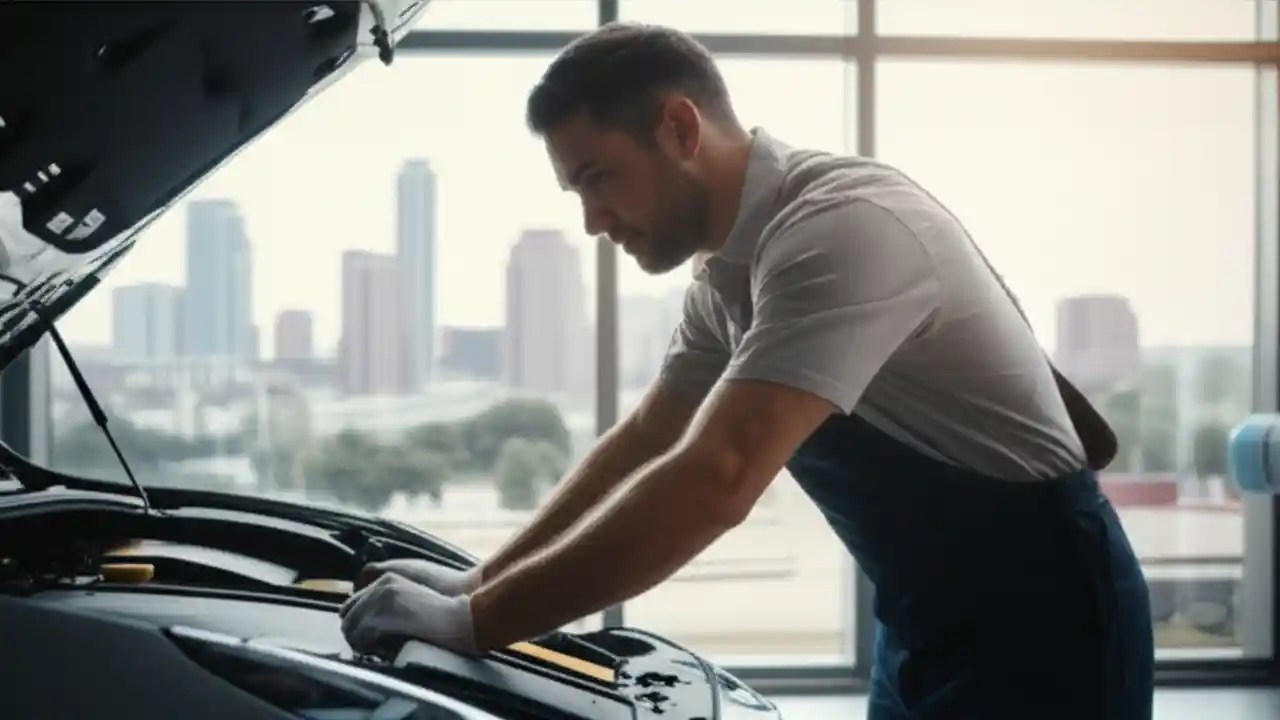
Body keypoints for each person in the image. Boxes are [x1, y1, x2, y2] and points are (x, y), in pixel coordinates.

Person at [339, 22, 1155, 719]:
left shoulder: (837, 230)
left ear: (680, 130)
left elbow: (714, 479)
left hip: (1050, 625)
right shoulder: (729, 274)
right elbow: (648, 443)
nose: (590, 221)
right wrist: (477, 582)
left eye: (596, 178)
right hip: (924, 623)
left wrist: (478, 622)